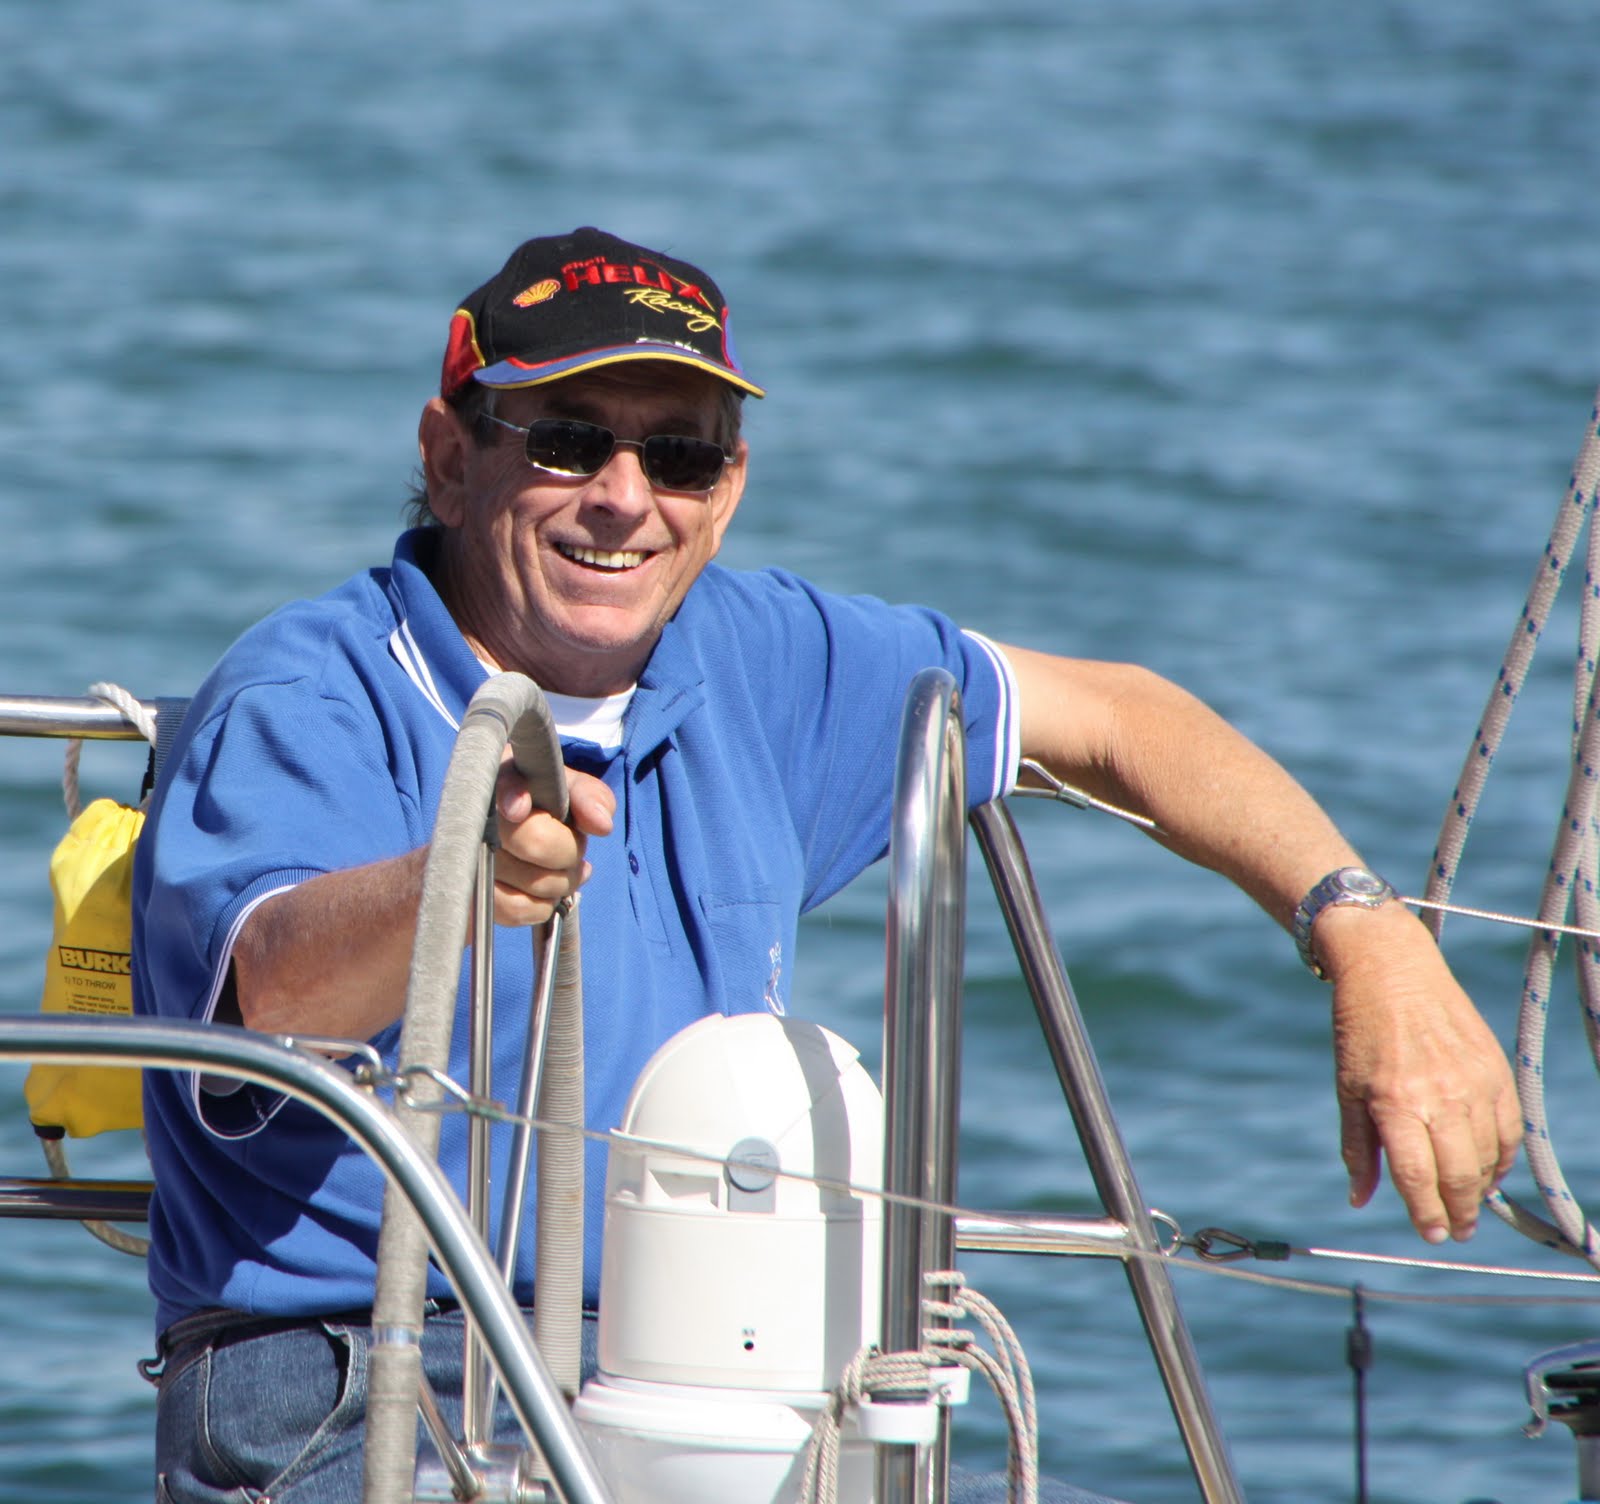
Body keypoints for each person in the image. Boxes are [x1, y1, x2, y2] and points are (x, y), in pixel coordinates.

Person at [132, 226, 1521, 1502]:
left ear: (730, 488)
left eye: (681, 455)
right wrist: (450, 884)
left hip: (703, 1371)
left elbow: (1120, 721)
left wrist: (1370, 939)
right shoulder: (302, 693)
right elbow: (271, 986)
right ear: (450, 454)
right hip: (356, 1378)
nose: (626, 500)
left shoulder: (764, 659)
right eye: (566, 441)